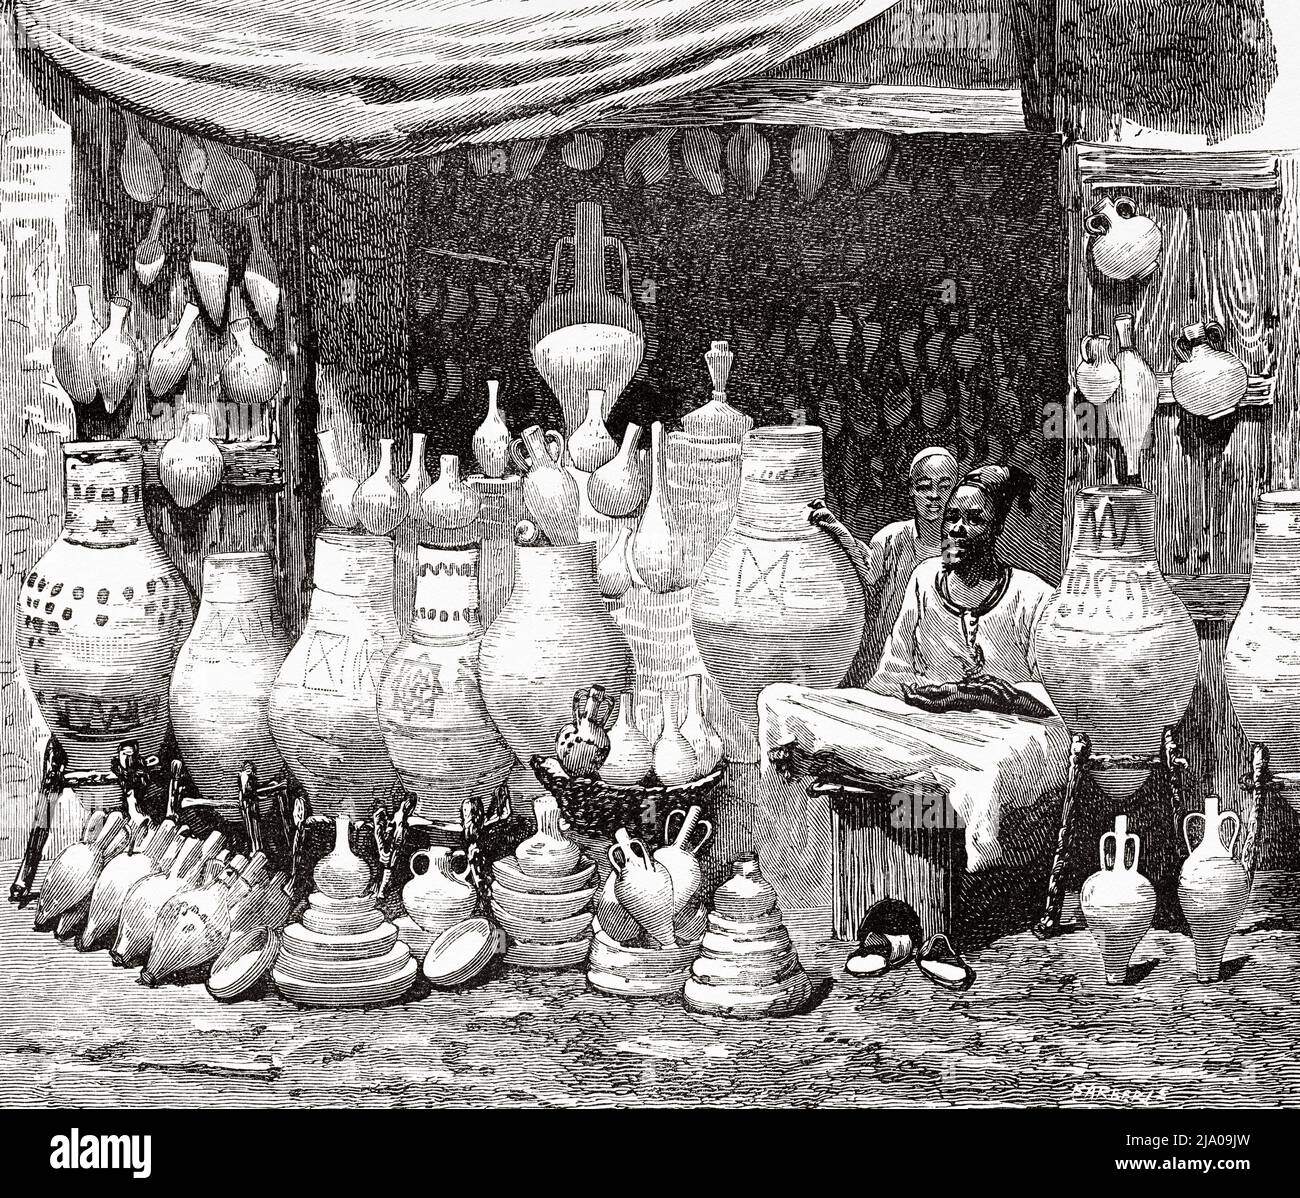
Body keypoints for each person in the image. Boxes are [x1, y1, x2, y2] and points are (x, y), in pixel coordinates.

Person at [813, 463, 1054, 717]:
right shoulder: (925, 578)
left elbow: (1053, 701)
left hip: (1003, 735)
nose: (956, 528)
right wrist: (918, 694)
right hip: (925, 725)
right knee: (784, 699)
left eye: (974, 519)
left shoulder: (1034, 596)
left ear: (997, 527)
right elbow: (892, 672)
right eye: (951, 517)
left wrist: (977, 696)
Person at [817, 447, 957, 683]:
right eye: (924, 487)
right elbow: (868, 572)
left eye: (944, 487)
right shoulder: (892, 536)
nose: (934, 495)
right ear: (911, 490)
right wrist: (838, 530)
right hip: (885, 654)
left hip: (938, 658)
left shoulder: (958, 547)